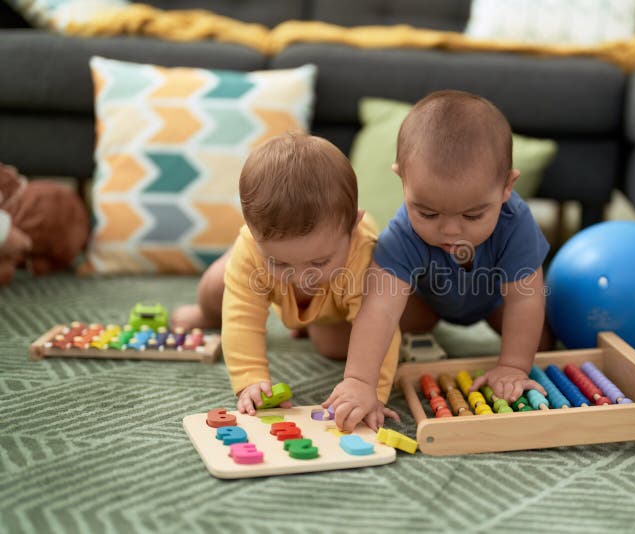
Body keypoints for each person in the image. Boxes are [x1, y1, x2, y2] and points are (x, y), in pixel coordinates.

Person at [325, 90, 550, 431]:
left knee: (540, 343)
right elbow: (381, 307)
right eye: (427, 212)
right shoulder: (402, 234)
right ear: (402, 179)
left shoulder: (515, 221)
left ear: (506, 187)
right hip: (426, 301)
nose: (449, 230)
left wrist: (513, 366)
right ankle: (317, 314)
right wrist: (359, 381)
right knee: (335, 342)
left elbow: (525, 297)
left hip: (496, 300)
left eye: (473, 215)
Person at [174, 134, 400, 426]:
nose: (300, 277)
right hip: (257, 276)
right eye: (280, 261)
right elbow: (241, 319)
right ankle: (205, 311)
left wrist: (373, 392)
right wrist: (250, 380)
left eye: (318, 261)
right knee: (215, 285)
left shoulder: (365, 254)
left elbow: (379, 325)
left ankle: (309, 319)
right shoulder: (252, 251)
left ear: (352, 227)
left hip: (339, 300)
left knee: (336, 347)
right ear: (254, 234)